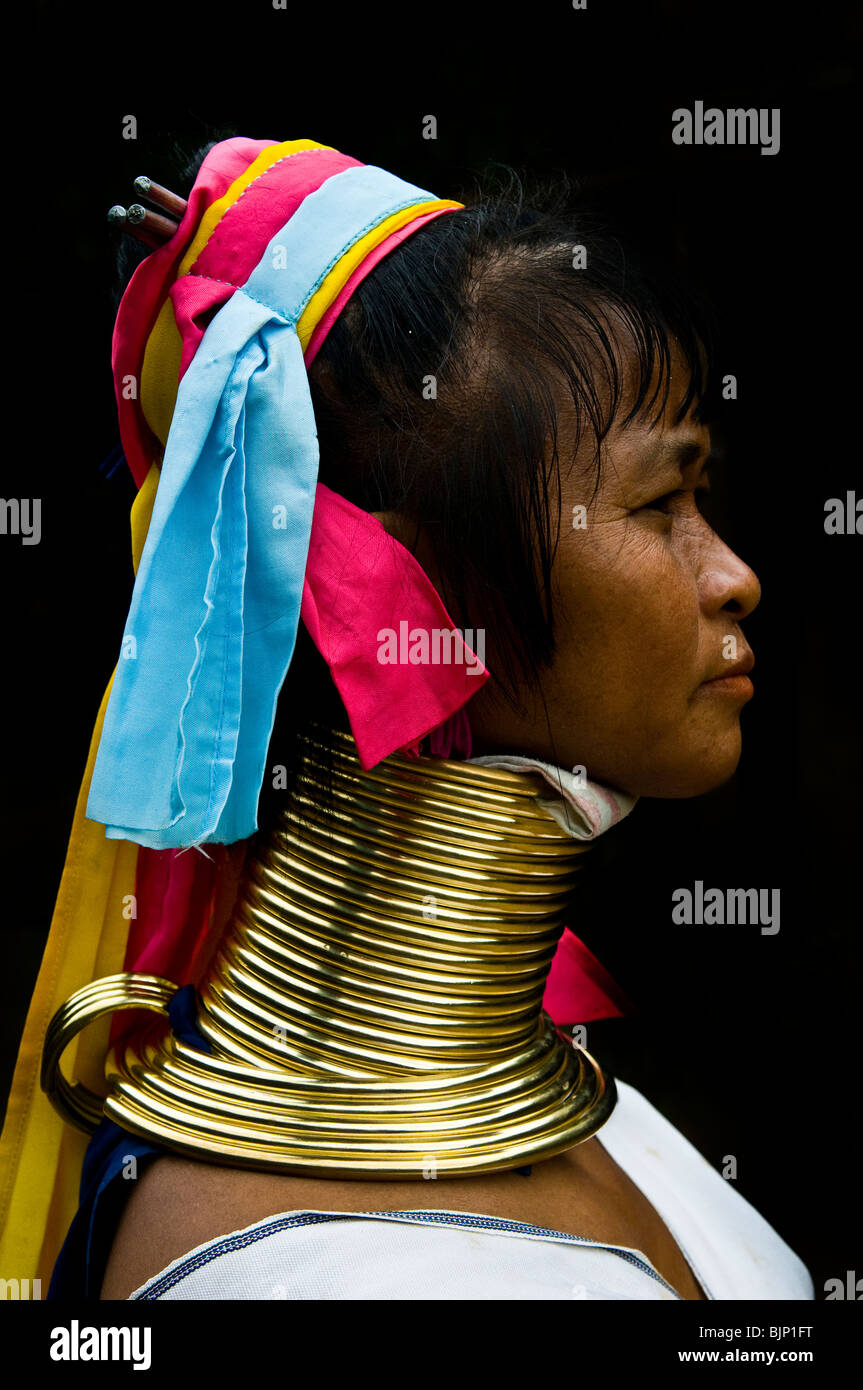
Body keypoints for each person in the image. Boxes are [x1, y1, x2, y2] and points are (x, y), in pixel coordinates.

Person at [0, 134, 813, 1302]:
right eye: (657, 500)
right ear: (397, 585)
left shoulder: (595, 1110)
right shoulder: (328, 1279)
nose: (730, 574)